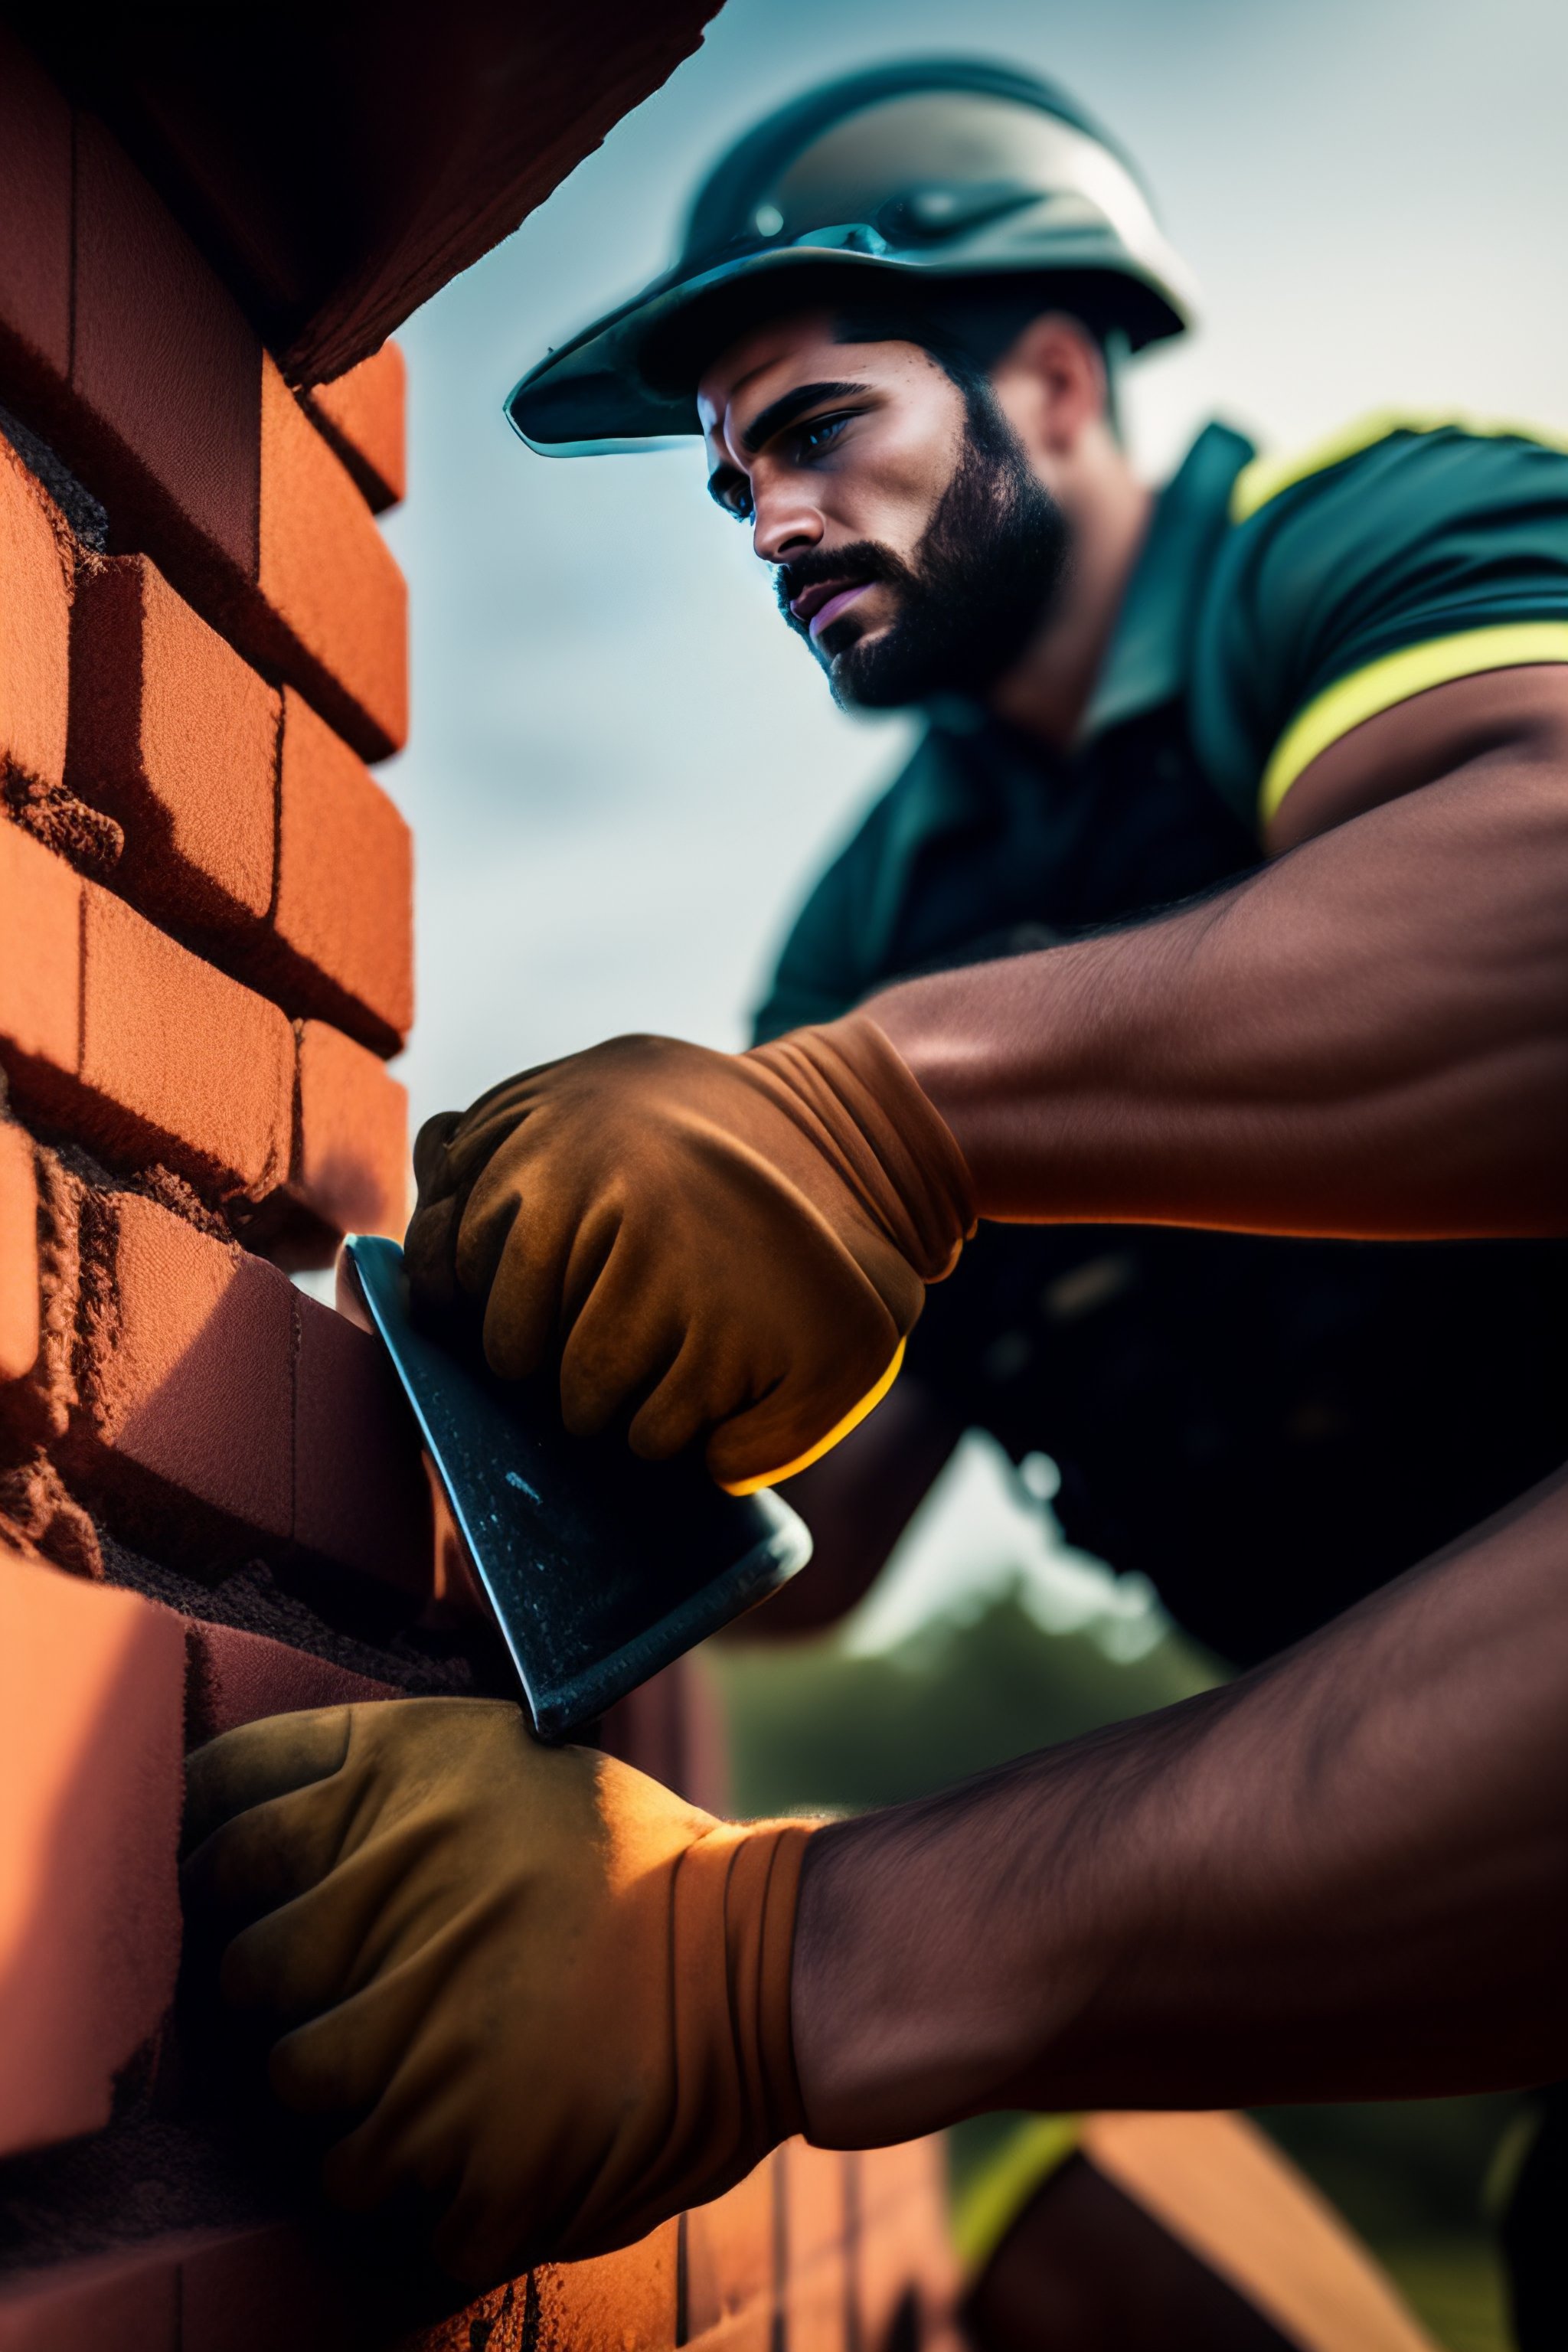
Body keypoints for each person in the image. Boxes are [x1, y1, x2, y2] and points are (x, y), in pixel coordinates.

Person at [183, 60, 1568, 2350]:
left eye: (821, 427)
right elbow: (830, 1523)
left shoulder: (1361, 547)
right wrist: (550, 1445)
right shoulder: (883, 919)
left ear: (1056, 376)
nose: (768, 521)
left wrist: (882, 1117)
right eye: (733, 483)